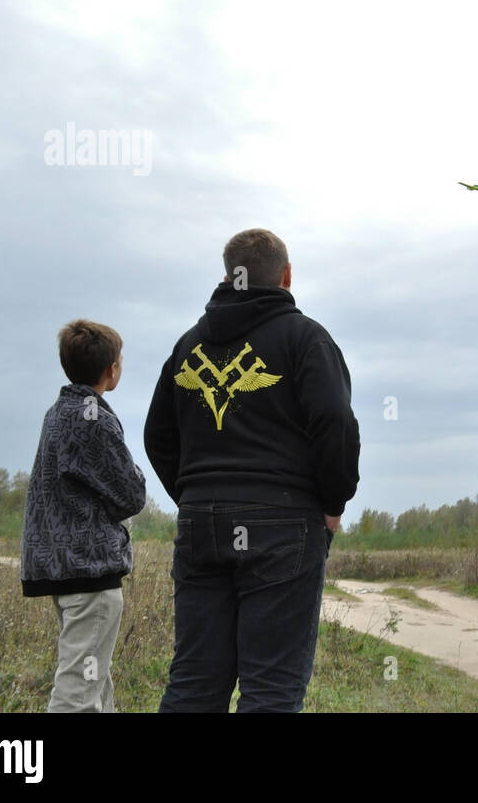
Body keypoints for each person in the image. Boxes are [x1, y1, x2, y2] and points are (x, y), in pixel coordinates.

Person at [144, 228, 360, 712]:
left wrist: (197, 497)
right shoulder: (305, 339)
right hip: (283, 526)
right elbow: (334, 422)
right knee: (271, 690)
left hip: (202, 527)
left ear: (227, 277)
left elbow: (157, 436)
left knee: (195, 682)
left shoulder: (187, 347)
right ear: (286, 276)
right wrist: (332, 503)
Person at [21, 319, 148, 713]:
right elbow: (131, 493)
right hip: (88, 571)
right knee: (78, 692)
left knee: (95, 683)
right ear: (111, 370)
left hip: (64, 568)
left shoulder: (58, 412)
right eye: (121, 359)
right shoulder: (93, 418)